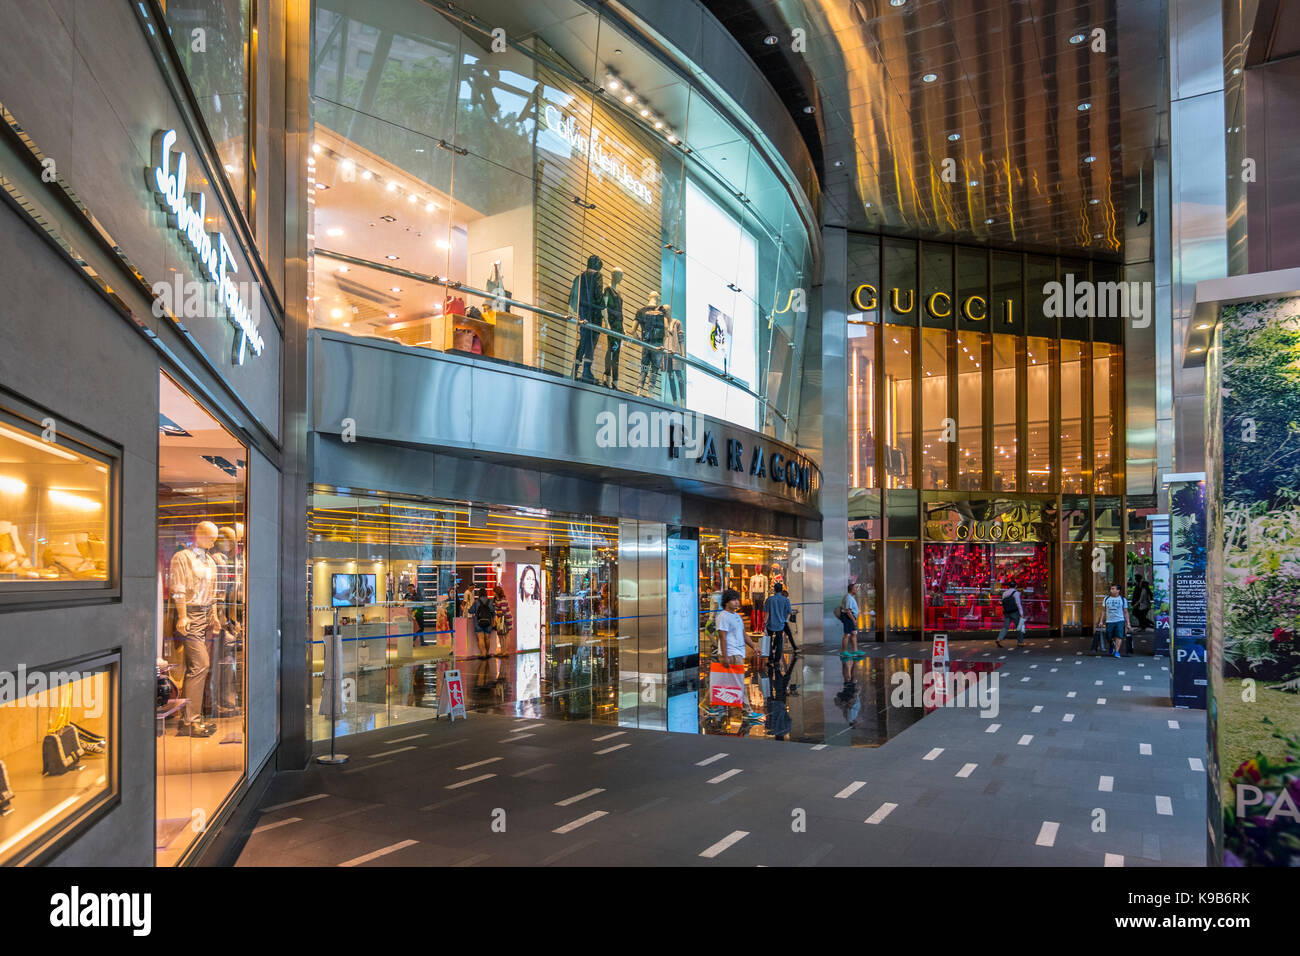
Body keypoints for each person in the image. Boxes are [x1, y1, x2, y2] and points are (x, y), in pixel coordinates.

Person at [715, 588, 762, 721]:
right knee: (739, 682)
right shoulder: (723, 616)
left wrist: (753, 646)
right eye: (733, 600)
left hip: (737, 652)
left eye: (737, 599)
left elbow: (743, 633)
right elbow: (722, 638)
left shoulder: (736, 616)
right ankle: (747, 711)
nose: (737, 602)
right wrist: (725, 656)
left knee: (722, 682)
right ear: (726, 602)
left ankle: (709, 705)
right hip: (731, 653)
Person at [762, 582, 793, 664]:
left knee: (769, 640)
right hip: (780, 625)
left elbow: (767, 613)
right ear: (781, 590)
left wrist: (764, 623)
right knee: (779, 642)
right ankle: (777, 660)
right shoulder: (786, 600)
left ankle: (770, 658)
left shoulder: (769, 599)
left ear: (774, 590)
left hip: (770, 624)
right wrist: (784, 618)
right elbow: (790, 612)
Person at [1100, 583, 1132, 658]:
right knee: (1108, 636)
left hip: (1120, 620)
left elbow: (1126, 612)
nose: (1111, 590)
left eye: (1113, 589)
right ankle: (1111, 644)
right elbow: (1103, 611)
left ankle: (1117, 651)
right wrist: (1101, 621)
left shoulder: (1123, 600)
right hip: (1109, 621)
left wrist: (1128, 623)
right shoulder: (1106, 599)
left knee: (1119, 636)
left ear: (1118, 590)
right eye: (1111, 589)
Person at [996, 580, 1026, 648]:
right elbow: (1018, 603)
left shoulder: (1004, 593)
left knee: (1005, 627)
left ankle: (999, 638)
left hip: (1006, 612)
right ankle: (1020, 642)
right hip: (1014, 612)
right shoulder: (1016, 593)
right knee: (1019, 627)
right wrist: (1021, 613)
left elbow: (1003, 603)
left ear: (1008, 586)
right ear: (1016, 586)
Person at [470, 587, 496, 658]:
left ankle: (483, 653)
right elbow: (493, 612)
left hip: (478, 622)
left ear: (479, 594)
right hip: (488, 622)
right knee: (487, 638)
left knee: (481, 638)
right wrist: (494, 621)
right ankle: (487, 653)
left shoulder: (476, 602)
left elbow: (471, 611)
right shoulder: (490, 601)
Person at [492, 584, 514, 657]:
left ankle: (505, 651)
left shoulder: (503, 599)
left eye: (494, 592)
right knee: (501, 636)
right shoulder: (496, 599)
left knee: (505, 635)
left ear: (497, 592)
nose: (493, 593)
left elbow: (503, 611)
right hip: (500, 620)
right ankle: (502, 651)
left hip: (506, 619)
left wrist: (496, 612)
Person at [837, 584, 859, 655]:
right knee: (847, 634)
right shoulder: (849, 598)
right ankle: (844, 651)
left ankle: (855, 651)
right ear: (852, 590)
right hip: (848, 617)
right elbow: (848, 611)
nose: (856, 589)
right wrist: (854, 620)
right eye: (855, 588)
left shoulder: (849, 597)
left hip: (849, 617)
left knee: (853, 633)